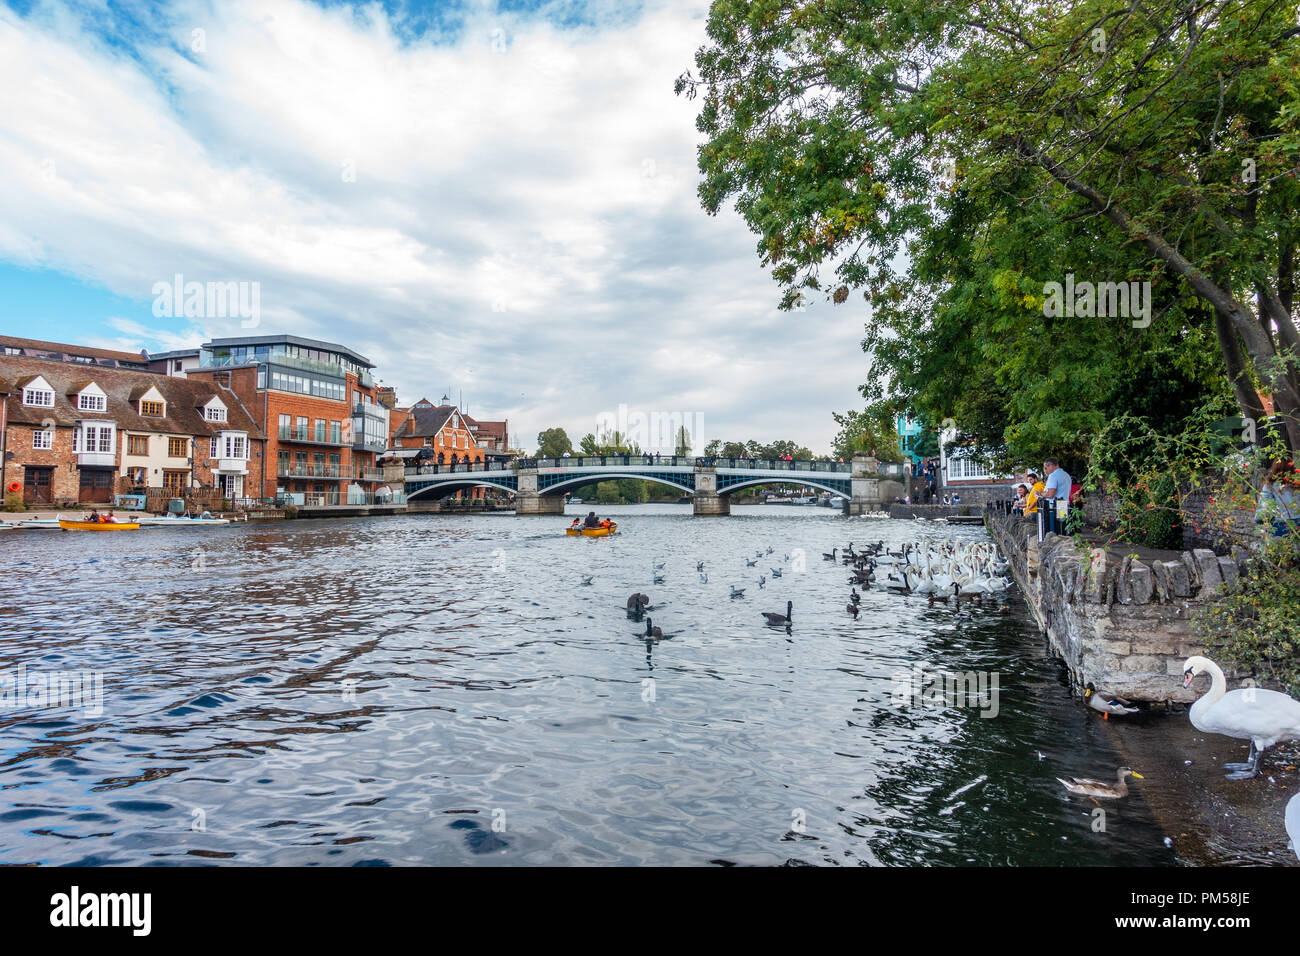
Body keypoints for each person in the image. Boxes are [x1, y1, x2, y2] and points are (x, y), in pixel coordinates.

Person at [1256, 460, 1300, 536]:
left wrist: (1259, 519)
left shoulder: (1270, 484)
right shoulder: (1297, 482)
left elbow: (1264, 505)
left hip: (1281, 524)